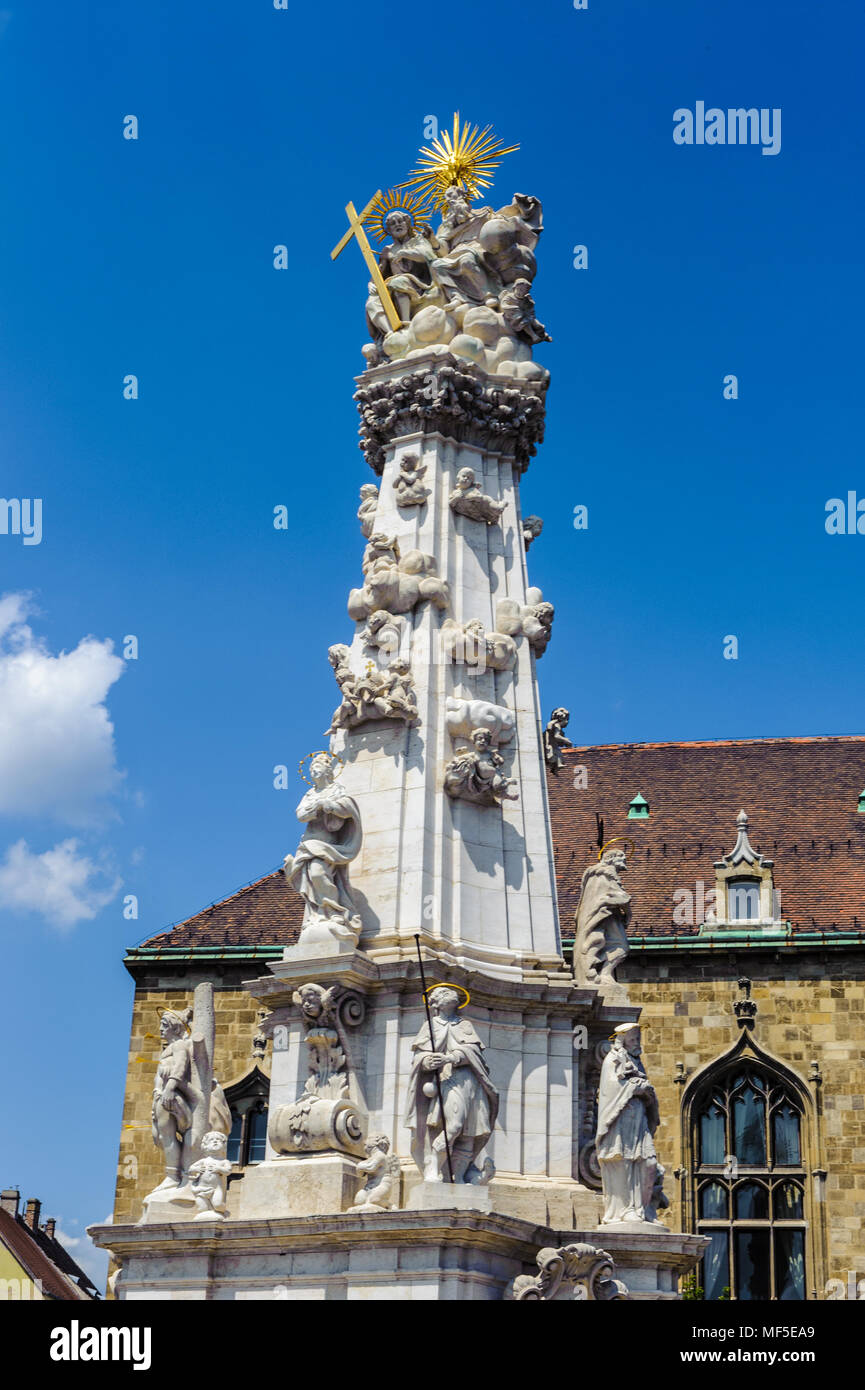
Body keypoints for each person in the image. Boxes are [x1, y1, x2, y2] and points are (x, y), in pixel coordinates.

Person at [405, 986, 499, 1182]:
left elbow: (474, 1053)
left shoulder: (464, 1025)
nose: (452, 995)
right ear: (436, 1002)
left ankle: (459, 1178)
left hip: (471, 1081)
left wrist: (451, 1057)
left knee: (469, 1132)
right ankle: (433, 1165)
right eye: (445, 993)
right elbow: (419, 1057)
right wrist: (427, 1061)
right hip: (448, 1081)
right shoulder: (430, 1026)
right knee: (454, 1126)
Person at [596, 1023, 664, 1224]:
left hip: (639, 1121)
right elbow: (610, 1089)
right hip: (621, 1121)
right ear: (623, 1040)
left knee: (649, 1163)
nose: (637, 1043)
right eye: (633, 1039)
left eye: (638, 1039)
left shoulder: (637, 1062)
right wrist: (635, 1088)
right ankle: (626, 1209)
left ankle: (644, 1209)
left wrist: (647, 1092)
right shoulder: (613, 1059)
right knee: (623, 1160)